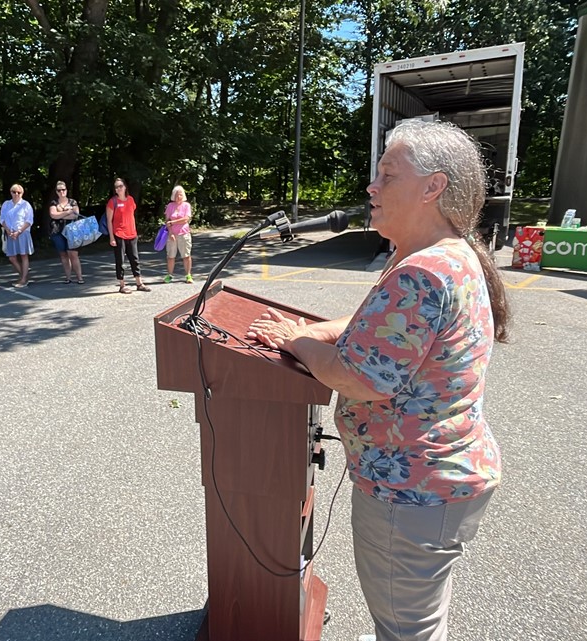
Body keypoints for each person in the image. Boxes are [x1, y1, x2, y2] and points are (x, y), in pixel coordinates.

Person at [246, 120, 510, 641]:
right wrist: (314, 330)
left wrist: (295, 343)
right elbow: (383, 325)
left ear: (433, 187)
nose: (372, 186)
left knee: (407, 627)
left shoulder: (423, 272)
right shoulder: (447, 255)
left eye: (388, 174)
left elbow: (361, 378)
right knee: (417, 614)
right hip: (438, 481)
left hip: (411, 492)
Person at [106, 177, 149, 294]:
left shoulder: (130, 200)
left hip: (131, 234)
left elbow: (131, 216)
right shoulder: (112, 202)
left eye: (120, 186)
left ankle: (139, 283)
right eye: (116, 187)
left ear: (125, 187)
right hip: (119, 234)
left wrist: (135, 231)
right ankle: (122, 285)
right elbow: (109, 221)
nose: (118, 188)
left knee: (135, 259)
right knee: (120, 260)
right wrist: (111, 237)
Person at [48, 180, 84, 284]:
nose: (61, 192)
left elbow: (75, 215)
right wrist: (67, 212)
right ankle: (68, 277)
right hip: (58, 231)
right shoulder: (54, 202)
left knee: (73, 254)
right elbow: (53, 215)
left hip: (71, 230)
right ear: (56, 192)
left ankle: (80, 277)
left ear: (66, 190)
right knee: (63, 254)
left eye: (63, 190)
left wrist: (60, 213)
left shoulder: (73, 202)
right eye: (59, 190)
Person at [0, 184, 34, 287]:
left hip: (23, 233)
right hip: (10, 233)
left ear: (22, 193)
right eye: (14, 192)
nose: (16, 194)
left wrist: (18, 232)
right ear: (11, 192)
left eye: (19, 192)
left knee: (24, 255)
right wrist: (8, 230)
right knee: (12, 257)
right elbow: (2, 219)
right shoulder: (6, 204)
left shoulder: (26, 205)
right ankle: (23, 275)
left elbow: (29, 220)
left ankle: (23, 279)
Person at [162, 184, 194, 284]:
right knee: (170, 256)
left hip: (184, 233)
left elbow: (186, 219)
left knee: (186, 255)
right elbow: (167, 221)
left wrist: (173, 222)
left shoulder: (186, 205)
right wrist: (170, 232)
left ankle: (188, 275)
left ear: (183, 195)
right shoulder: (170, 206)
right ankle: (170, 275)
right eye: (176, 195)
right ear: (173, 195)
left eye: (180, 194)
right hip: (172, 234)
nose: (178, 197)